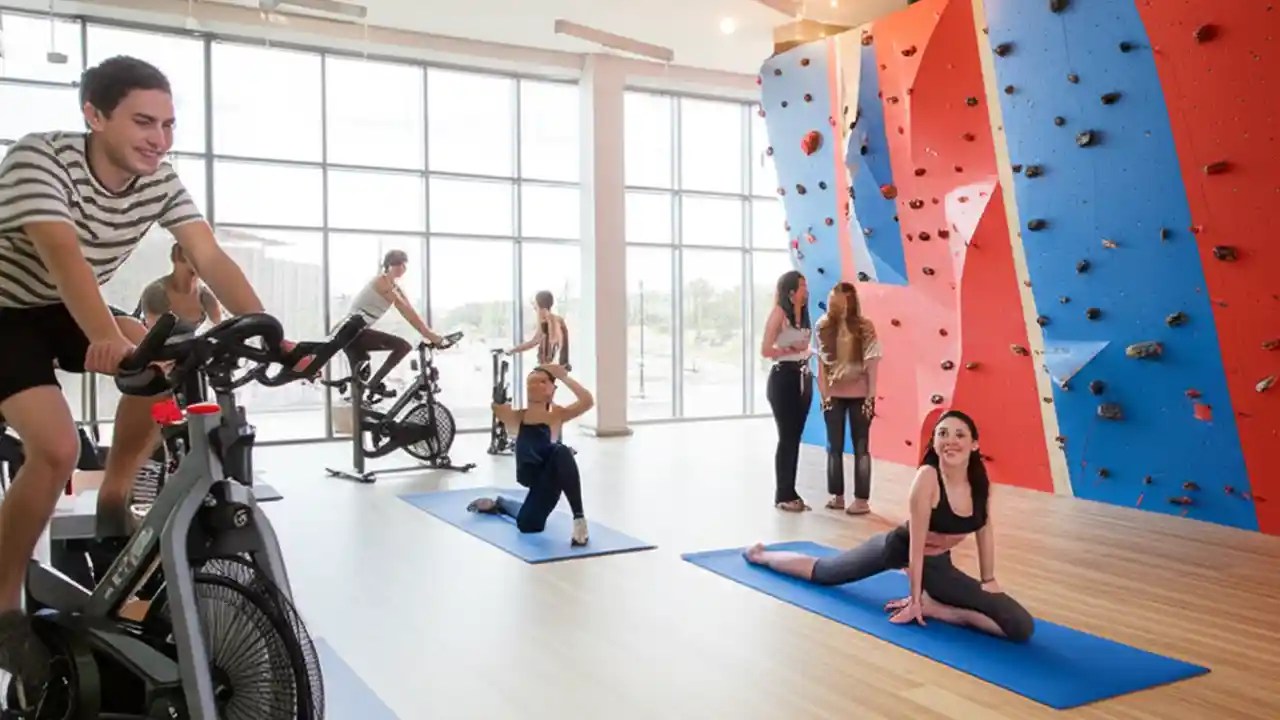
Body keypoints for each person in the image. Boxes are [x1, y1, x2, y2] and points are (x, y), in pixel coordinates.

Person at [0, 55, 301, 684]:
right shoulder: (39, 158)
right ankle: (3, 608)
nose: (158, 140)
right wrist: (107, 337)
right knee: (54, 450)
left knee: (164, 356)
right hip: (5, 308)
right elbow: (63, 257)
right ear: (94, 115)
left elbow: (210, 255)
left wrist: (274, 333)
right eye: (143, 122)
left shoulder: (160, 180)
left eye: (168, 125)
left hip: (56, 302)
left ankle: (115, 493)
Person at [744, 410, 1035, 643]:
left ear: (974, 444)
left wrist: (988, 579)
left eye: (960, 434)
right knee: (826, 573)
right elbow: (915, 545)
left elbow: (985, 529)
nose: (951, 441)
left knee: (1020, 627)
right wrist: (914, 599)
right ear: (933, 442)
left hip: (939, 565)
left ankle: (939, 609)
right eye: (942, 434)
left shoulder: (980, 484)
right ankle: (762, 555)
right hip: (899, 548)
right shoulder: (928, 478)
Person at [466, 364, 593, 546]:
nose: (535, 386)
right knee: (527, 525)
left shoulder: (557, 414)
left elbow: (587, 401)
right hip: (533, 479)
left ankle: (579, 520)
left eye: (542, 382)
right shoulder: (517, 415)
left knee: (562, 451)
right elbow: (497, 407)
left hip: (551, 476)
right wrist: (499, 399)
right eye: (531, 382)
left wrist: (564, 377)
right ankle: (501, 503)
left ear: (552, 389)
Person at [815, 281, 881, 514]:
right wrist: (824, 395)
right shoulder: (822, 327)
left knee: (861, 447)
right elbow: (821, 365)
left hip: (860, 395)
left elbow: (873, 364)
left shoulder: (865, 327)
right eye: (836, 297)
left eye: (845, 297)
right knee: (834, 447)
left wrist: (871, 397)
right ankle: (837, 496)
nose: (840, 302)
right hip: (834, 395)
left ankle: (862, 500)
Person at [342, 250, 444, 399]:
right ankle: (373, 384)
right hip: (351, 333)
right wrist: (431, 336)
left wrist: (432, 334)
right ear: (388, 265)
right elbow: (405, 311)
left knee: (358, 389)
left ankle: (366, 394)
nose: (402, 267)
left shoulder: (394, 286)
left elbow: (410, 310)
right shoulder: (381, 282)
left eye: (404, 264)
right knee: (403, 346)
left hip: (355, 334)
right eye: (397, 264)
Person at [760, 270, 813, 512]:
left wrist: (801, 349)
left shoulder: (804, 315)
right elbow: (766, 349)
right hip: (784, 377)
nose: (806, 289)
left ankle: (791, 491)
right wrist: (788, 348)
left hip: (803, 374)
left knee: (795, 437)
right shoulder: (779, 313)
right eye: (802, 285)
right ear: (791, 292)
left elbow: (805, 345)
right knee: (787, 437)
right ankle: (782, 494)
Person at [137, 242, 223, 336]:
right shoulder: (157, 293)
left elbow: (220, 328)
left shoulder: (205, 297)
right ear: (176, 259)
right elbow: (155, 334)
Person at [507, 290, 569, 368]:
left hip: (552, 369)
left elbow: (555, 344)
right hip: (548, 367)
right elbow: (534, 341)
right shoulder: (546, 321)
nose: (534, 308)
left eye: (536, 305)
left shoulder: (554, 321)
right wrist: (513, 350)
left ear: (541, 306)